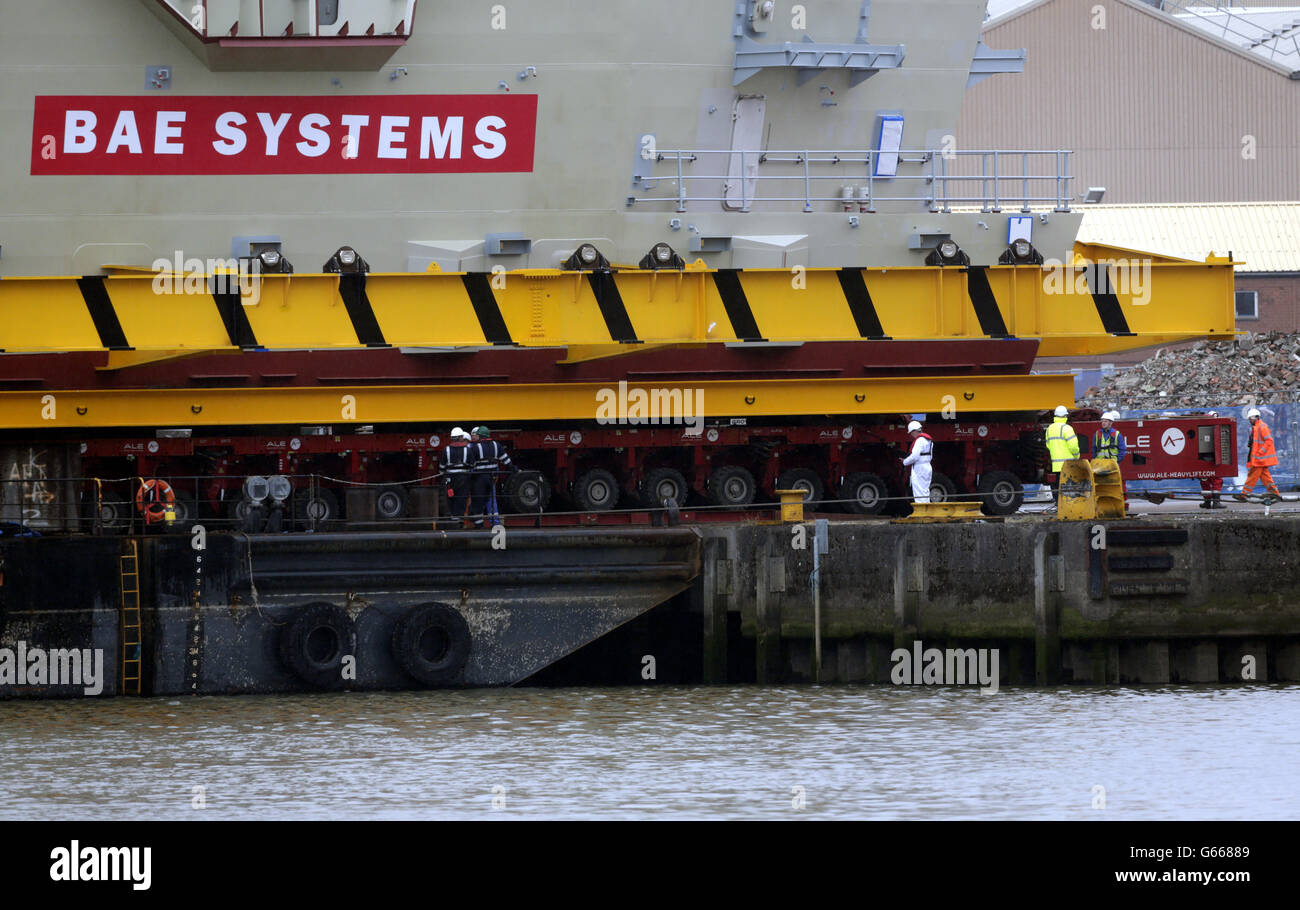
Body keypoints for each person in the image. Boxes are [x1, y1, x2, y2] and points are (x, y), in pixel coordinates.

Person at [1234, 407, 1282, 505]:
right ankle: (1275, 494)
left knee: (1252, 476)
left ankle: (1244, 495)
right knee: (1266, 478)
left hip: (1260, 459)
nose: (1249, 420)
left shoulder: (1262, 427)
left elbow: (1269, 441)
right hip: (1258, 459)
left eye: (1250, 418)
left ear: (1255, 417)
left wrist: (1260, 452)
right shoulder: (1256, 427)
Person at [469, 425, 515, 526]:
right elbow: (506, 461)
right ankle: (495, 523)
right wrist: (514, 469)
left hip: (479, 480)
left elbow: (471, 465)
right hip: (492, 478)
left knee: (478, 501)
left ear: (480, 436)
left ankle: (479, 525)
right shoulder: (496, 445)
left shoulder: (476, 448)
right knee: (492, 500)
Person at [1045, 405, 1079, 504]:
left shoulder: (1049, 429)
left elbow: (1048, 445)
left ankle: (1059, 504)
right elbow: (1073, 446)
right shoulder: (1067, 428)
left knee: (1057, 486)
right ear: (1065, 416)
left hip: (1055, 465)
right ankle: (1068, 506)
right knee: (1068, 488)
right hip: (1068, 464)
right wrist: (1076, 456)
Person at [442, 427, 473, 524]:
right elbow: (472, 465)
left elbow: (441, 467)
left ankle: (453, 519)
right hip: (463, 479)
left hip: (449, 479)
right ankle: (459, 521)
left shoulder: (446, 450)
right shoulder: (467, 450)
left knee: (451, 498)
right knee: (462, 498)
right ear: (460, 437)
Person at [901, 419, 934, 503]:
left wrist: (905, 462)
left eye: (911, 433)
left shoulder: (919, 441)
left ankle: (922, 513)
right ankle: (926, 512)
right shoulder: (928, 440)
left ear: (914, 431)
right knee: (925, 491)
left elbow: (915, 456)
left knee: (919, 492)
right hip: (927, 466)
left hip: (920, 468)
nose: (911, 435)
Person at [1199, 411, 1225, 510]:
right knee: (1217, 480)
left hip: (1201, 460)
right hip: (1213, 460)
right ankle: (1216, 502)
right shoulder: (1216, 429)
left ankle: (1207, 502)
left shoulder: (1200, 427)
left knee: (1204, 481)